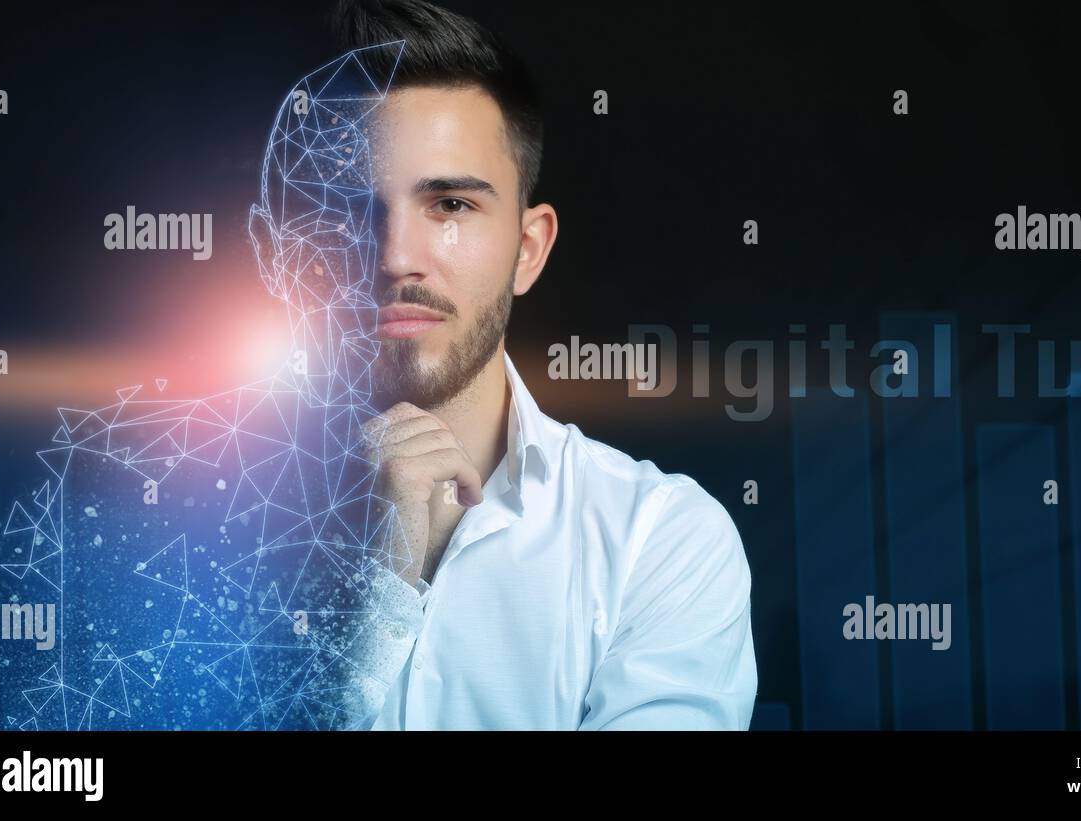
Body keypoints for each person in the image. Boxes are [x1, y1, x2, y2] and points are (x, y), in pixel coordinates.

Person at [291, 0, 759, 730]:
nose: (393, 257)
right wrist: (373, 593)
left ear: (529, 248)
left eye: (449, 203)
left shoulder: (655, 540)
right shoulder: (193, 534)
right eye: (352, 207)